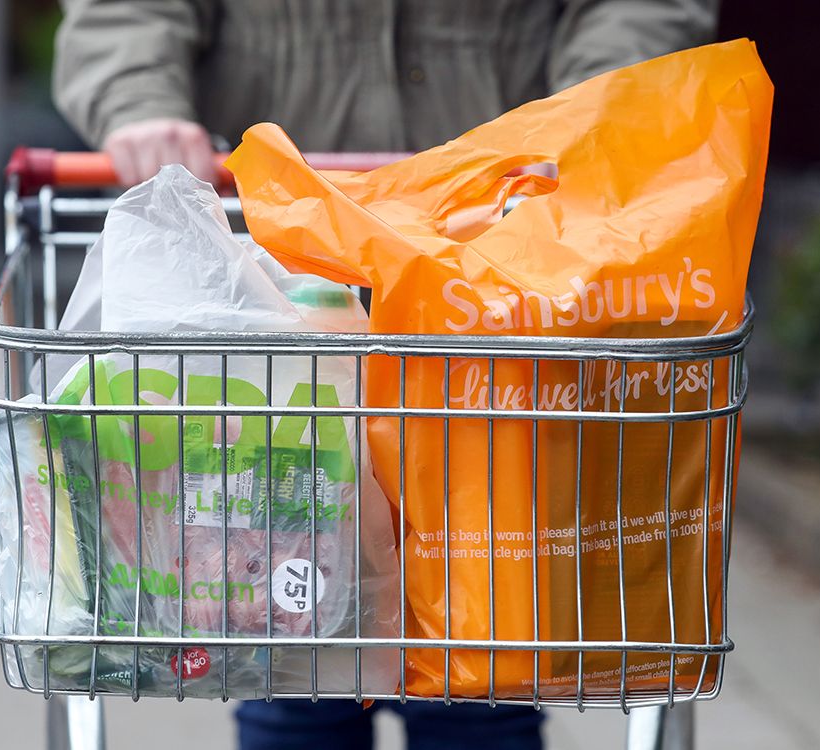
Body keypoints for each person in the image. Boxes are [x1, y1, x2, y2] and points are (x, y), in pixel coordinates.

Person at [52, 3, 717, 747]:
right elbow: (129, 15)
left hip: (502, 278)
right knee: (296, 648)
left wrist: (600, 109)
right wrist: (140, 101)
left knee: (485, 651)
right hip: (281, 278)